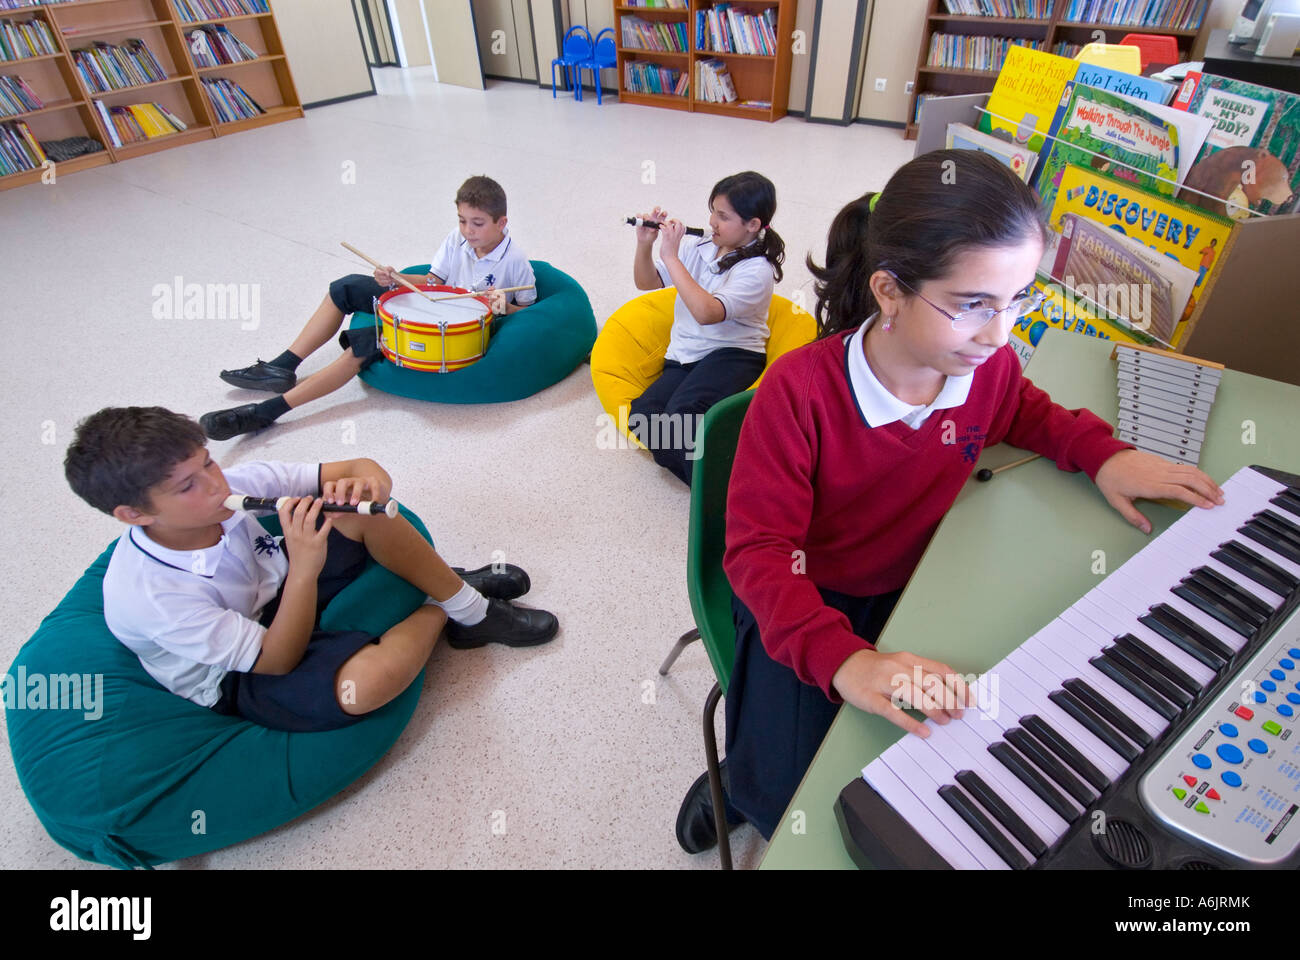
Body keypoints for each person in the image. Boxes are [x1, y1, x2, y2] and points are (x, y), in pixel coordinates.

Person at [674, 150, 1226, 852]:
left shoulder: (984, 365)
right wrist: (845, 659)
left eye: (1017, 298)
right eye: (973, 305)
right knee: (788, 779)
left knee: (940, 749)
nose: (1002, 334)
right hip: (806, 595)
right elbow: (756, 555)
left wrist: (1103, 454)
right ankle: (739, 785)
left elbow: (1025, 410)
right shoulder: (799, 393)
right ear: (890, 291)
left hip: (913, 583)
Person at [64, 406, 558, 732]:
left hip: (280, 584)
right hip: (241, 673)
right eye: (187, 486)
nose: (216, 486)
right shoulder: (152, 597)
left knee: (364, 514)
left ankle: (470, 610)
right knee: (363, 686)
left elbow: (356, 467)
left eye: (209, 464)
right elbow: (275, 659)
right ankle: (438, 603)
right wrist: (304, 567)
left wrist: (368, 485)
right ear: (135, 514)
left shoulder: (227, 484)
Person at [201, 175, 536, 440]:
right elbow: (435, 281)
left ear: (501, 222)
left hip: (457, 328)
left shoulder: (516, 261)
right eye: (462, 220)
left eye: (477, 223)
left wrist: (505, 307)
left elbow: (531, 316)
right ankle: (281, 366)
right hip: (431, 304)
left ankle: (267, 412)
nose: (467, 230)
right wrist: (395, 279)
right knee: (346, 286)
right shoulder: (456, 239)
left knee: (363, 344)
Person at [629, 171, 783, 485]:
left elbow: (707, 313)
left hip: (732, 353)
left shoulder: (757, 270)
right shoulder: (699, 245)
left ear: (753, 225)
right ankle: (708, 477)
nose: (712, 221)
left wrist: (670, 256)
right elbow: (645, 282)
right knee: (643, 415)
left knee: (682, 416)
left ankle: (718, 495)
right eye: (712, 210)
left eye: (723, 216)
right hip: (685, 353)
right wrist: (646, 245)